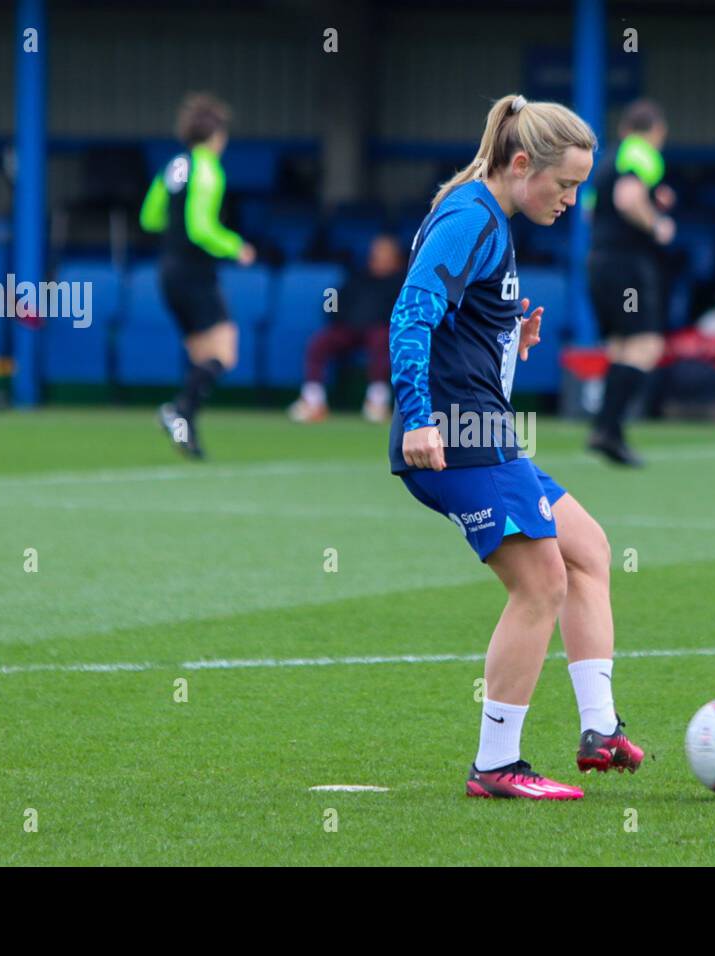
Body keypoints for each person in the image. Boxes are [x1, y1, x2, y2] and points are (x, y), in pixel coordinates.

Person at [389, 94, 644, 800]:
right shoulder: (472, 216)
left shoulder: (487, 216)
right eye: (564, 186)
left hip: (482, 427)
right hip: (455, 435)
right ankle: (497, 764)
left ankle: (600, 729)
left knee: (587, 548)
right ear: (523, 163)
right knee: (540, 583)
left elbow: (457, 324)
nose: (570, 201)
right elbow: (412, 311)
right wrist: (416, 416)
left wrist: (508, 342)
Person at [139, 92, 255, 459]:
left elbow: (149, 217)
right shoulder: (207, 167)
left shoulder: (174, 166)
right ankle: (179, 412)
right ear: (217, 135)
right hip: (195, 274)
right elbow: (200, 227)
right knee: (225, 352)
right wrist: (235, 246)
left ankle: (185, 425)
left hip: (168, 272)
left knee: (201, 356)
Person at [586, 98, 676, 468]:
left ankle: (609, 431)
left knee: (621, 346)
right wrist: (656, 223)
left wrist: (654, 200)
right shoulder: (643, 153)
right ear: (656, 131)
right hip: (628, 266)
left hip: (599, 262)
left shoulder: (609, 159)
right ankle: (608, 428)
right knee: (647, 345)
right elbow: (627, 199)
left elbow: (591, 210)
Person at [288, 233, 404, 424]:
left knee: (381, 340)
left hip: (379, 330)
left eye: (385, 253)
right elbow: (332, 297)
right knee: (319, 342)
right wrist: (334, 314)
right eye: (376, 253)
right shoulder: (357, 277)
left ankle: (376, 402)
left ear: (395, 257)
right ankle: (313, 401)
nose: (379, 257)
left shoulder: (401, 281)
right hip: (348, 329)